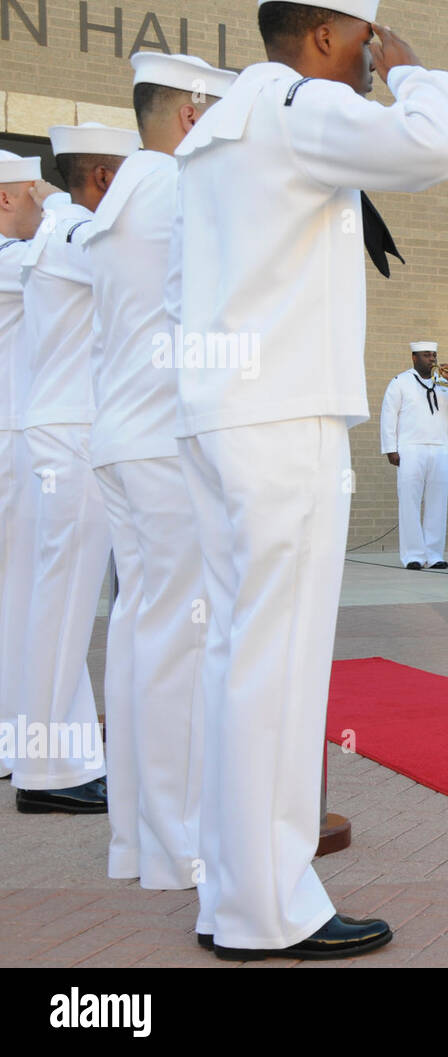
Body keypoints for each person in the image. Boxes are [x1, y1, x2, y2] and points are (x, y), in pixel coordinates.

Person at [172, 0, 448, 958]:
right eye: (367, 46)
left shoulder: (217, 130)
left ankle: (234, 893)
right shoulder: (297, 110)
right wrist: (420, 70)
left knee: (237, 662)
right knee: (280, 666)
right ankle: (272, 909)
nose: (371, 64)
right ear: (331, 35)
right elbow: (433, 146)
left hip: (221, 416)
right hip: (283, 416)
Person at [79, 53, 235, 888]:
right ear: (188, 115)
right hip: (164, 441)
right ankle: (183, 849)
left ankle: (137, 838)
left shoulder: (121, 194)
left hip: (116, 438)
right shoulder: (177, 188)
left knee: (141, 638)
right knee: (177, 640)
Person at [15, 122, 139, 813]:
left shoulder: (58, 233)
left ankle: (63, 757)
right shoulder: (74, 234)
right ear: (102, 179)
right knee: (63, 606)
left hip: (67, 429)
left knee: (60, 600)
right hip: (72, 434)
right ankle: (43, 770)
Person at [0, 152, 56, 782]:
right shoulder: (17, 262)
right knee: (21, 593)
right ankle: (16, 740)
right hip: (13, 439)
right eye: (34, 197)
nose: (43, 210)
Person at [379, 341, 448, 570]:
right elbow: (388, 416)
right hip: (410, 449)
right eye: (426, 355)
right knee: (409, 502)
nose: (432, 359)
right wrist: (390, 448)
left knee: (437, 503)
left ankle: (434, 554)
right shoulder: (400, 382)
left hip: (439, 449)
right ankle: (413, 555)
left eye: (433, 354)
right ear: (414, 358)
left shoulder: (443, 382)